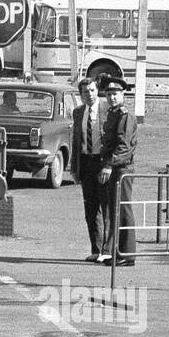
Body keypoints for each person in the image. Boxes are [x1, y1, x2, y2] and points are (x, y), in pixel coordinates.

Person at [97, 75, 138, 267]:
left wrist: (108, 165)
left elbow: (124, 146)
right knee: (115, 210)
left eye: (115, 94)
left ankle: (127, 254)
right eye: (109, 94)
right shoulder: (114, 113)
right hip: (114, 167)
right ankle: (119, 252)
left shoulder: (125, 115)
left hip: (121, 168)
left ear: (123, 94)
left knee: (123, 210)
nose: (112, 97)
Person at [70, 77, 107, 261]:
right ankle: (96, 249)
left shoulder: (107, 109)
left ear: (97, 90)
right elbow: (76, 141)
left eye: (92, 90)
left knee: (105, 207)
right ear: (81, 94)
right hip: (86, 163)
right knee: (90, 209)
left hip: (103, 163)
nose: (90, 94)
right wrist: (74, 168)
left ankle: (107, 250)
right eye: (86, 92)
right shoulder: (78, 113)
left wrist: (108, 165)